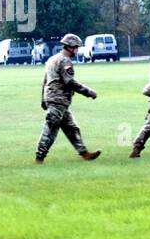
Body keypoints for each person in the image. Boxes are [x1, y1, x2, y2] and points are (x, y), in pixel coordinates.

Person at [35, 33, 101, 163]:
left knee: (71, 128)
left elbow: (45, 81)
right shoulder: (65, 61)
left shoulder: (52, 59)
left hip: (55, 99)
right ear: (70, 47)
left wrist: (43, 99)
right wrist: (88, 92)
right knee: (51, 129)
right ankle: (39, 157)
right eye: (76, 47)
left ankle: (84, 152)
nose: (77, 50)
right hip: (58, 100)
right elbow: (70, 82)